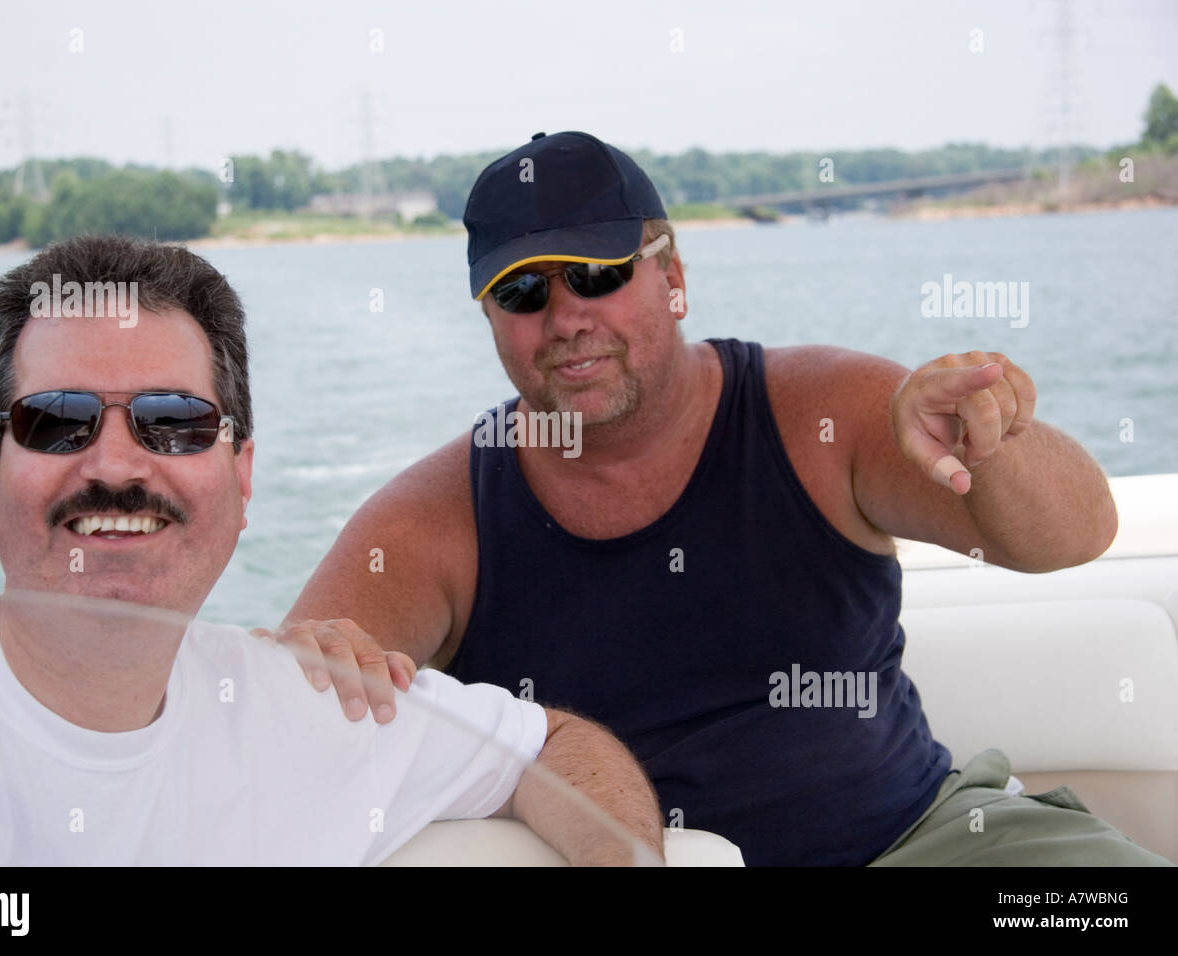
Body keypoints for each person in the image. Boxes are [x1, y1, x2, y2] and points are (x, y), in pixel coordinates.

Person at [284, 130, 1173, 866]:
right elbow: (285, 720)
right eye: (522, 291)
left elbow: (1075, 534)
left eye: (597, 273)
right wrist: (309, 663)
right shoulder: (439, 519)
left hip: (923, 839)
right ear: (488, 318)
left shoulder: (821, 413)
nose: (565, 318)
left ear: (672, 277)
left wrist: (991, 437)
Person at [0, 234, 663, 866]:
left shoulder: (309, 710)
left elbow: (556, 747)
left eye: (174, 421)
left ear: (242, 475)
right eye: (56, 420)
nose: (115, 465)